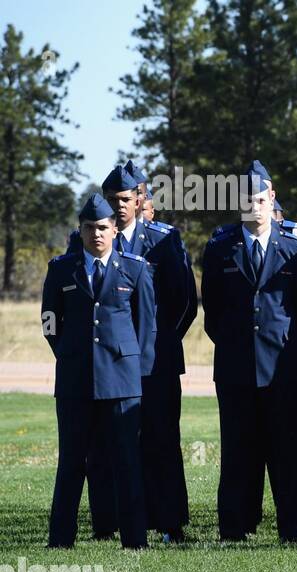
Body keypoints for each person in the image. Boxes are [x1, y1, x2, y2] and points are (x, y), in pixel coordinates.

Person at [66, 163, 195, 543]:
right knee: (103, 446)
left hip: (156, 363)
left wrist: (156, 345)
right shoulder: (85, 241)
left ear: (140, 200)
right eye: (111, 201)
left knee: (160, 440)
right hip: (105, 364)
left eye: (124, 200)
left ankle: (170, 522)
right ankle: (107, 523)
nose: (118, 207)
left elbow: (184, 301)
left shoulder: (163, 240)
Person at [201, 160, 297, 543]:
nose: (253, 205)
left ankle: (291, 529)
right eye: (245, 200)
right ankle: (233, 530)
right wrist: (238, 346)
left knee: (286, 449)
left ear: (271, 199)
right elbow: (213, 311)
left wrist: (292, 349)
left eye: (259, 198)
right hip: (236, 367)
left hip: (285, 367)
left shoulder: (296, 250)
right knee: (237, 450)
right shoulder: (221, 249)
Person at [43, 194, 156, 549]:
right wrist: (67, 353)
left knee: (126, 462)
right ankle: (61, 540)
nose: (97, 234)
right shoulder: (61, 269)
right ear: (81, 229)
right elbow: (49, 322)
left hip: (121, 382)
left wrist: (134, 368)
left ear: (114, 229)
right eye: (90, 228)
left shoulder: (135, 268)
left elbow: (146, 326)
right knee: (72, 463)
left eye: (103, 228)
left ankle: (134, 540)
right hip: (75, 381)